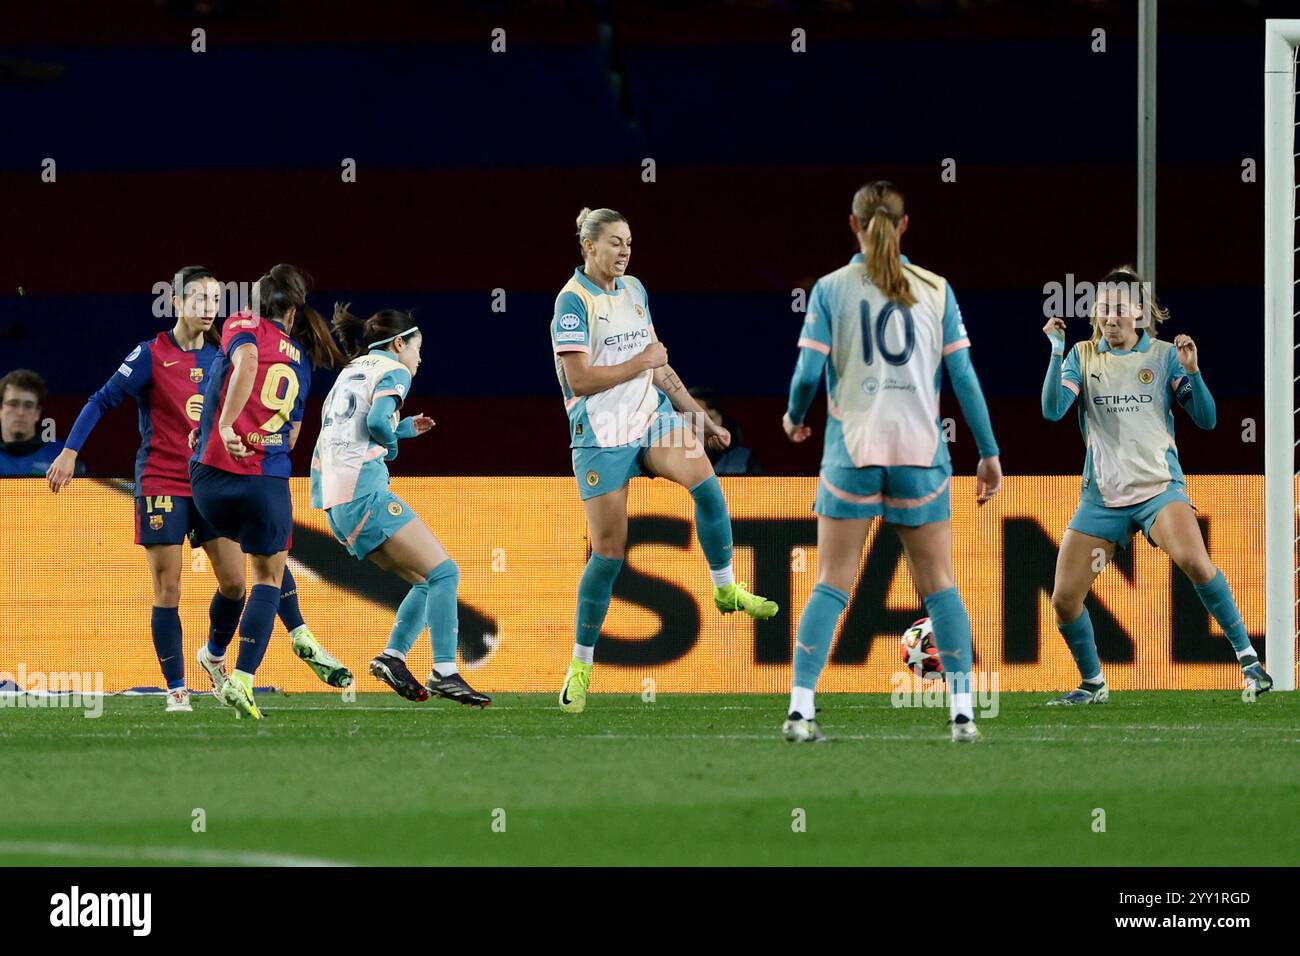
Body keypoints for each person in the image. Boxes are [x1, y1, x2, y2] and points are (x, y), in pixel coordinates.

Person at [47, 266, 350, 713]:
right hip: (162, 481)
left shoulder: (223, 351)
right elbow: (101, 399)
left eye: (214, 301)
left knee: (234, 583)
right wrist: (70, 450)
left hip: (213, 478)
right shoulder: (151, 354)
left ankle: (214, 656)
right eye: (198, 300)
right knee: (168, 588)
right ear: (176, 303)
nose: (208, 309)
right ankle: (176, 689)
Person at [782, 181, 1002, 743]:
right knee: (940, 585)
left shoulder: (830, 289)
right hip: (919, 454)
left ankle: (802, 710)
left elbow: (808, 373)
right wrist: (988, 451)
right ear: (905, 226)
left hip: (852, 450)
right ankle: (962, 714)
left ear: (852, 225)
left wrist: (793, 417)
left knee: (831, 583)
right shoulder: (935, 289)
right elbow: (965, 379)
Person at [551, 206, 778, 714]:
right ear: (588, 247)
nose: (624, 251)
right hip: (602, 437)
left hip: (649, 420)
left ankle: (724, 589)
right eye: (614, 242)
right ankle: (581, 664)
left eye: (629, 241)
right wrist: (642, 362)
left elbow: (660, 366)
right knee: (608, 554)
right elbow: (581, 380)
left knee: (705, 480)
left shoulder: (635, 292)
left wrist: (699, 417)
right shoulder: (572, 303)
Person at [1041, 265, 1272, 702]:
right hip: (1103, 501)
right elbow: (1053, 410)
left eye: (1119, 310)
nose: (1110, 318)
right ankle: (1093, 684)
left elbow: (1206, 420)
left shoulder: (1166, 356)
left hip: (1158, 492)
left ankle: (1251, 663)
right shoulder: (1081, 356)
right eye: (1104, 310)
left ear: (1141, 314)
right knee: (1064, 601)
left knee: (1195, 561)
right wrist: (1055, 351)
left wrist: (1195, 372)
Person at [189, 264, 347, 719]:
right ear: (293, 314)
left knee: (249, 572)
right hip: (268, 483)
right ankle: (245, 677)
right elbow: (293, 436)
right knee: (266, 577)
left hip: (211, 480)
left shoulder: (242, 322)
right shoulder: (299, 357)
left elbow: (248, 361)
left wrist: (222, 424)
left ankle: (251, 647)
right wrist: (257, 435)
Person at [311, 304, 490, 707]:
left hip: (332, 500)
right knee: (445, 573)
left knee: (426, 580)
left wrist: (401, 430)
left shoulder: (350, 373)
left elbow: (346, 431)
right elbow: (376, 424)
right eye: (417, 347)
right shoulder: (395, 371)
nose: (420, 357)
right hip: (363, 493)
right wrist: (391, 444)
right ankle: (445, 671)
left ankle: (393, 656)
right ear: (398, 344)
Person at [1, 369, 80, 477]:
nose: (20, 413)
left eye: (28, 405)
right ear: (1, 409)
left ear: (37, 413)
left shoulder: (62, 456)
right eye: (13, 404)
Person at [688, 387, 762, 475]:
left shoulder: (745, 460)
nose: (699, 427)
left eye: (709, 419)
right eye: (692, 420)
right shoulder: (672, 458)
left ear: (722, 419)